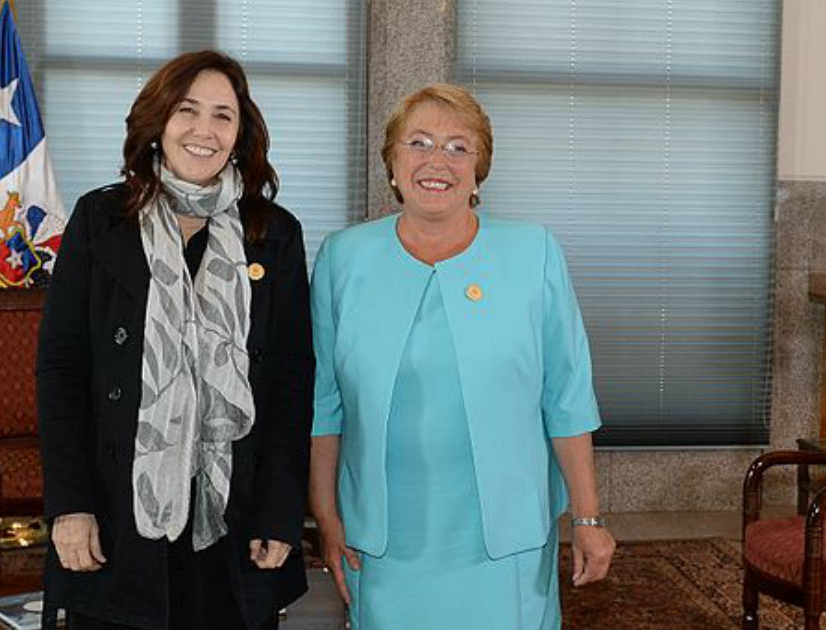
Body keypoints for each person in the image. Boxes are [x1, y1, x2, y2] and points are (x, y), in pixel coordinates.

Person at [307, 83, 615, 630]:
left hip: (504, 542)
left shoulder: (534, 252)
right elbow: (324, 403)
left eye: (458, 147)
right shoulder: (342, 258)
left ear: (479, 171)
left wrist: (588, 517)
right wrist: (326, 516)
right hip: (381, 540)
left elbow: (566, 397)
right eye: (419, 143)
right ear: (393, 164)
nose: (437, 161)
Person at [37, 50, 313, 630]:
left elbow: (291, 382)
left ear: (240, 135)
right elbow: (61, 371)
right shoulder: (99, 219)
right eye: (187, 110)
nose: (204, 130)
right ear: (158, 124)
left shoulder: (275, 234)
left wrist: (281, 513)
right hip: (118, 512)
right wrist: (70, 504)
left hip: (236, 515)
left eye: (222, 115)